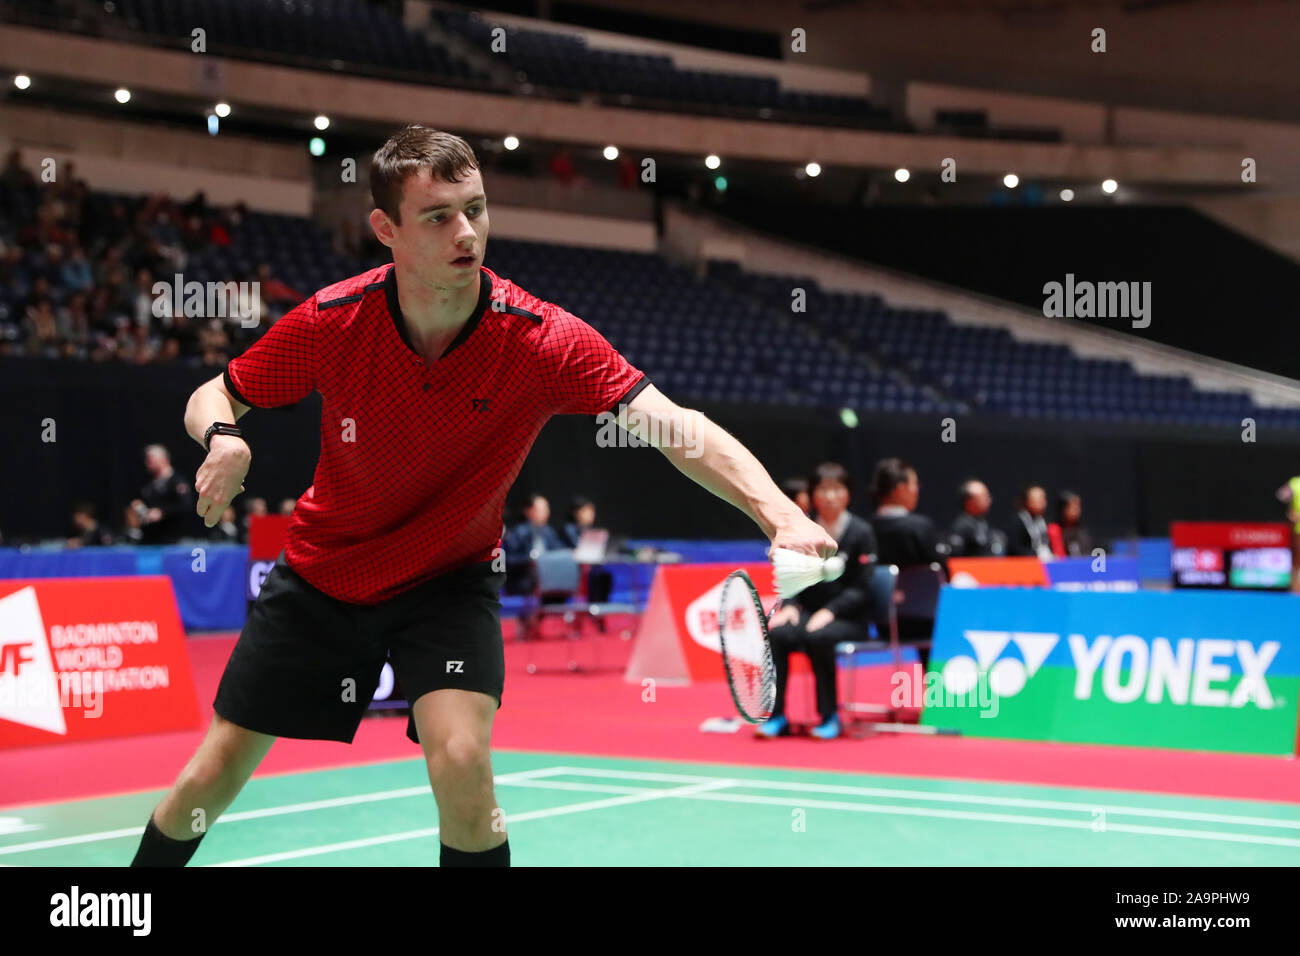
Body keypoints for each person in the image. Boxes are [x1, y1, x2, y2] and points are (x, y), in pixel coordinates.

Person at [130, 125, 835, 869]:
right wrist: (225, 440)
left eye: (477, 208)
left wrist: (779, 512)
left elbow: (673, 426)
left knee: (463, 759)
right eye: (439, 217)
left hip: (449, 580)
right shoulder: (334, 322)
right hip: (323, 574)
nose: (467, 233)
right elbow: (217, 393)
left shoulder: (541, 340)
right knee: (213, 774)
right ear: (386, 230)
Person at [759, 462, 876, 742]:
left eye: (837, 489)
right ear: (812, 495)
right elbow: (791, 574)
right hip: (808, 614)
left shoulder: (861, 533)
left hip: (849, 620)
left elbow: (863, 587)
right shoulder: (804, 531)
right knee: (779, 634)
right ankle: (777, 716)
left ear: (847, 494)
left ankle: (829, 716)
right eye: (823, 490)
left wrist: (830, 611)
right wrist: (788, 606)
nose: (830, 496)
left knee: (820, 637)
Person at [868, 458, 945, 569]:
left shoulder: (865, 527)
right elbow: (941, 572)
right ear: (901, 489)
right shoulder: (920, 527)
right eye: (914, 483)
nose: (917, 490)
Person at [126, 444, 196, 545]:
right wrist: (138, 505)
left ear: (164, 459)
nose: (147, 464)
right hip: (149, 539)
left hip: (172, 539)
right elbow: (137, 500)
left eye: (151, 460)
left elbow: (185, 505)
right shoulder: (147, 482)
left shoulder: (176, 481)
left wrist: (162, 512)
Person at [502, 493, 563, 597]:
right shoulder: (518, 532)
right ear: (527, 511)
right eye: (541, 509)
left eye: (547, 508)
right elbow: (507, 560)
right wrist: (530, 560)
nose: (547, 512)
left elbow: (558, 552)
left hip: (548, 582)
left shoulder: (548, 531)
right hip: (523, 584)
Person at [946, 478, 1005, 557]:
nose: (988, 500)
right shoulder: (960, 527)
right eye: (983, 497)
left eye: (988, 496)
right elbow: (955, 557)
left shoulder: (984, 524)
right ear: (969, 501)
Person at [1008, 484, 1053, 561]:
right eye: (1037, 499)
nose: (1041, 503)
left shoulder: (1045, 522)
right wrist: (1037, 554)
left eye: (1043, 499)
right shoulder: (1017, 521)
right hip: (1025, 565)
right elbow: (1015, 549)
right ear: (1027, 501)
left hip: (1045, 565)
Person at [1048, 491, 1091, 557]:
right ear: (1063, 509)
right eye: (1073, 507)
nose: (1077, 510)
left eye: (1078, 506)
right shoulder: (1054, 530)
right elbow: (1059, 557)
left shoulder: (1081, 531)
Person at [1277, 476, 1300, 592]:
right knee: (1297, 557)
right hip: (1298, 529)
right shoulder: (1295, 483)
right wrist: (1290, 512)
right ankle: (1295, 586)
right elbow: (1281, 495)